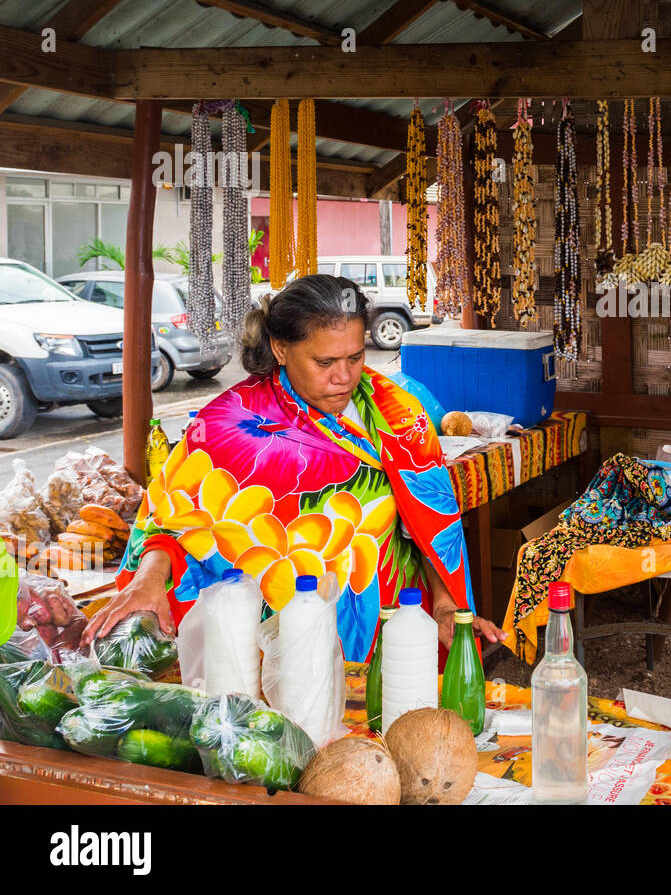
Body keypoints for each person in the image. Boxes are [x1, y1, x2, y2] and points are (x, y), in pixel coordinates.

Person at [83, 275, 506, 661]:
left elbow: (427, 527)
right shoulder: (227, 425)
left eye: (356, 357)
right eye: (324, 363)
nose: (344, 376)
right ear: (281, 348)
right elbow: (171, 521)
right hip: (277, 646)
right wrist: (148, 579)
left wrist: (447, 604)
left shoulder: (397, 413)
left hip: (390, 629)